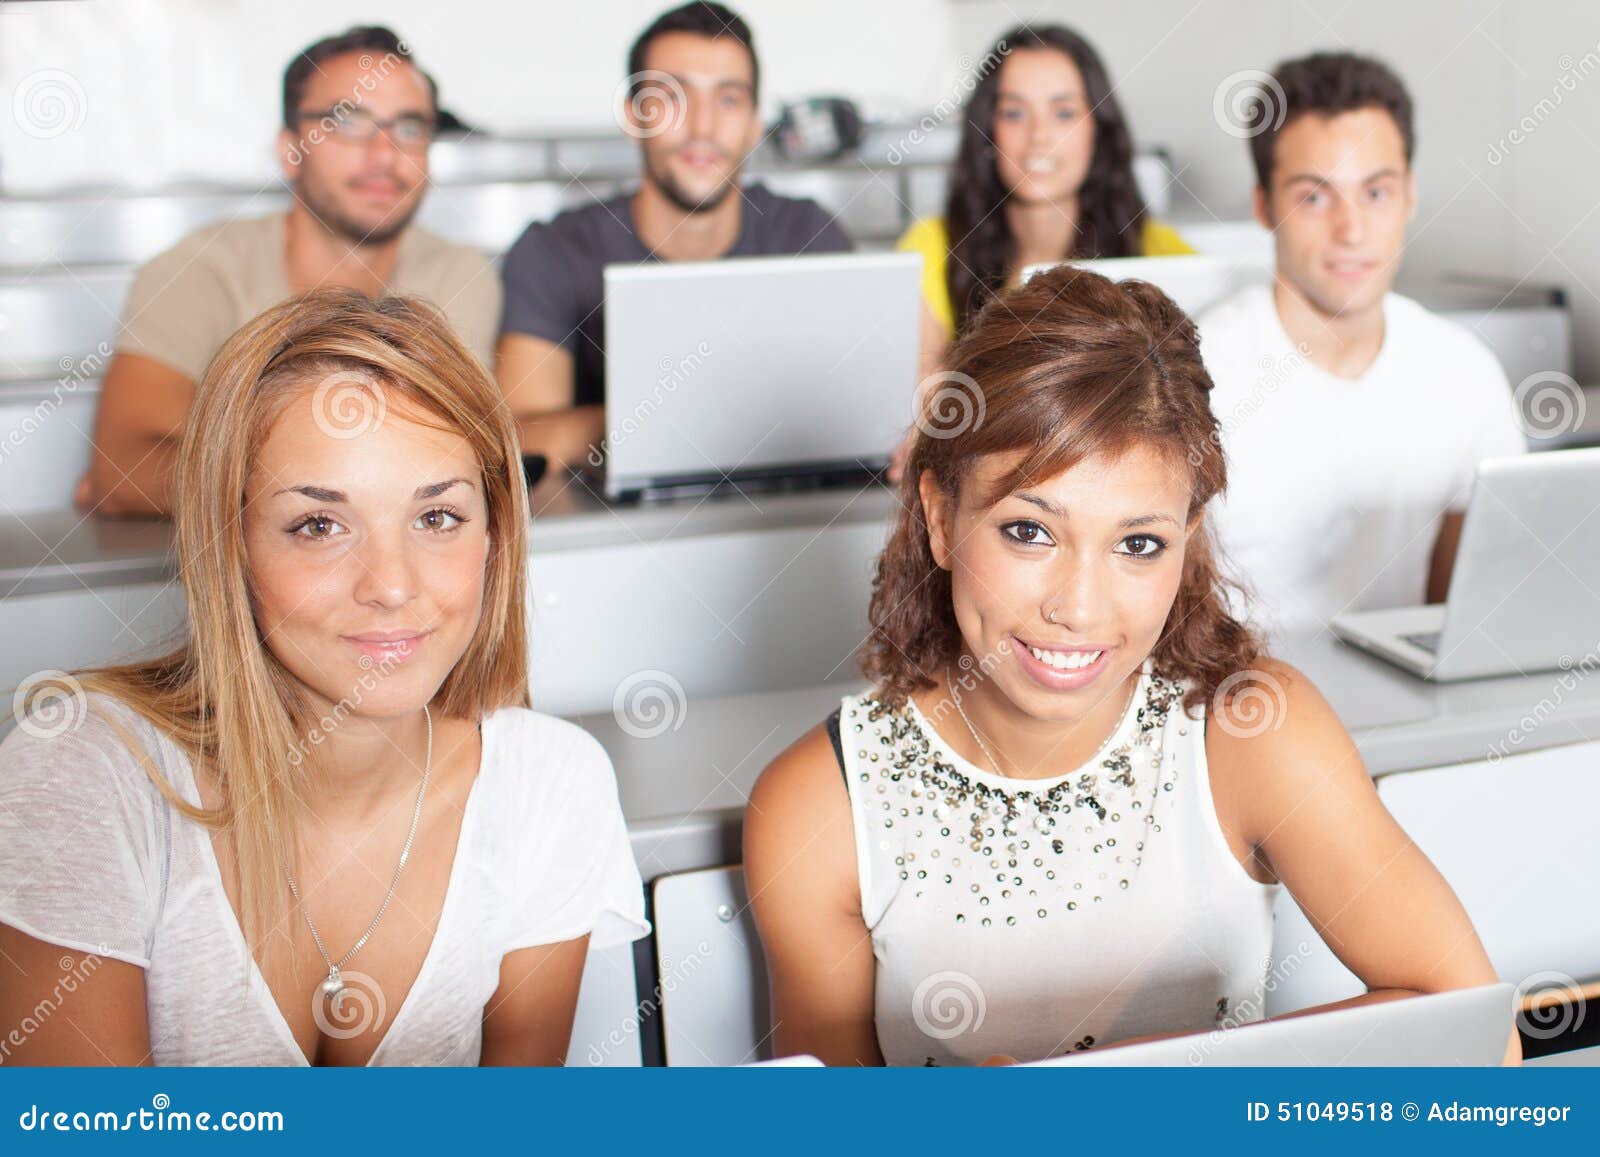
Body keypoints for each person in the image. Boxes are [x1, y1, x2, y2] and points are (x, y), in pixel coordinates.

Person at [744, 265, 1515, 1067]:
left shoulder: (1248, 730)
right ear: (941, 519)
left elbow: (1482, 1037)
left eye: (1138, 544)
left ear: (1187, 541)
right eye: (1029, 532)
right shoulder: (820, 807)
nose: (1080, 607)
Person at [0, 291, 646, 1066]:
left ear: (496, 535)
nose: (392, 585)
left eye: (437, 517)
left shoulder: (552, 780)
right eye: (319, 524)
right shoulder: (81, 773)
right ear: (228, 543)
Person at [79, 26, 501, 518]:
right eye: (348, 121)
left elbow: (470, 457)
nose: (386, 154)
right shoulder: (197, 268)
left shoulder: (460, 272)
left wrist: (261, 482)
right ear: (289, 149)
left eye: (409, 128)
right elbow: (125, 469)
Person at [1197, 52, 1525, 638]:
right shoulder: (1195, 376)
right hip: (1231, 705)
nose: (1351, 230)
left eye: (1375, 193)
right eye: (1315, 198)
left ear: (1409, 196)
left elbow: (1464, 617)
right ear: (1263, 206)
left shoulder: (1464, 371)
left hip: (1404, 708)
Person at [496, 2, 853, 471]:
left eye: (728, 100)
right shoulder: (555, 251)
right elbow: (518, 440)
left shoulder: (810, 235)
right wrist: (675, 417)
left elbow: (863, 416)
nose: (702, 128)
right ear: (634, 115)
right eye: (673, 98)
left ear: (753, 126)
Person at [897, 24, 1193, 372]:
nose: (1039, 136)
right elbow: (925, 410)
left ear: (1098, 131)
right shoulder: (932, 246)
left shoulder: (1162, 254)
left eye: (1063, 113)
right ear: (988, 133)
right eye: (1015, 113)